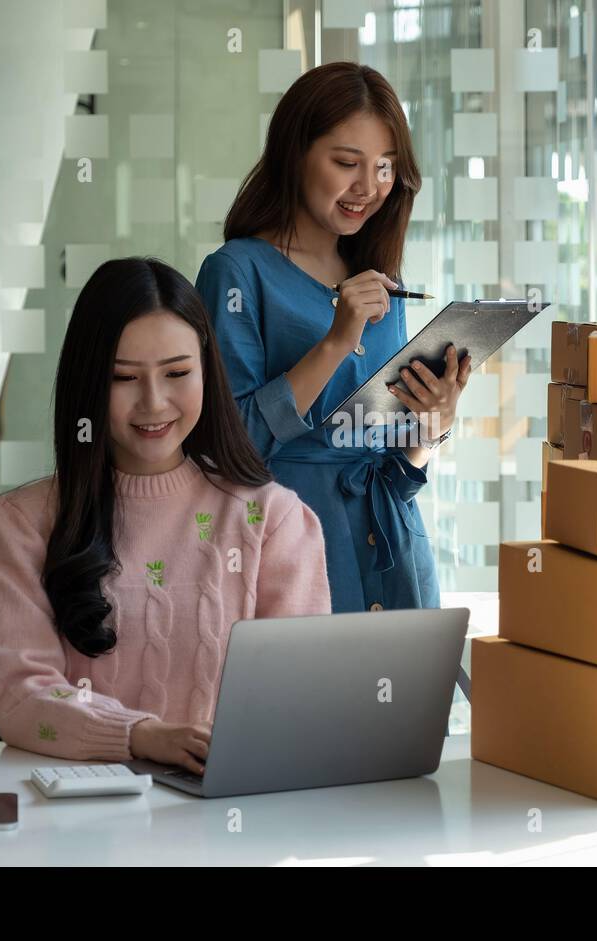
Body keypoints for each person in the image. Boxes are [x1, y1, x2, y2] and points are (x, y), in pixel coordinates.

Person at [0, 257, 330, 771]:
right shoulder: (22, 523)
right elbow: (20, 697)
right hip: (73, 822)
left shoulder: (273, 520)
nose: (154, 401)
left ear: (207, 371)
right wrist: (141, 735)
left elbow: (304, 696)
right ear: (89, 382)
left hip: (224, 817)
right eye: (124, 378)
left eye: (177, 373)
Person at [196, 61, 471, 616]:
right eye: (346, 162)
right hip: (292, 553)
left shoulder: (384, 283)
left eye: (385, 168)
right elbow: (231, 445)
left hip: (395, 553)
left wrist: (433, 423)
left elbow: (395, 468)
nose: (366, 188)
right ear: (294, 154)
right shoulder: (236, 273)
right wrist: (335, 342)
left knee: (405, 704)